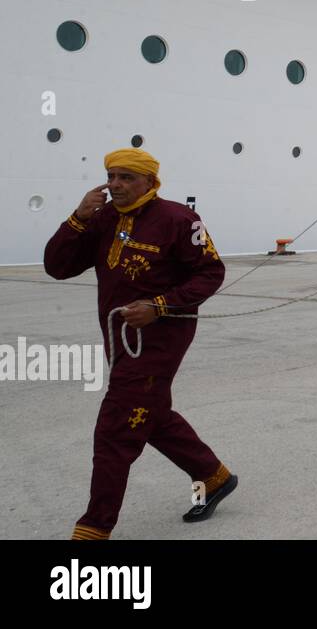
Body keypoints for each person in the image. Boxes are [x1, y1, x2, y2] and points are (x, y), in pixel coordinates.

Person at [43, 149, 236, 539]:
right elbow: (57, 267)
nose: (115, 184)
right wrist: (78, 218)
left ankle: (94, 527)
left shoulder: (180, 220)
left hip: (162, 338)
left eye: (126, 177)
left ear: (150, 181)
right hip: (118, 338)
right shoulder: (102, 220)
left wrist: (160, 305)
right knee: (150, 414)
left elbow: (211, 272)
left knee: (115, 428)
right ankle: (213, 477)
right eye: (111, 176)